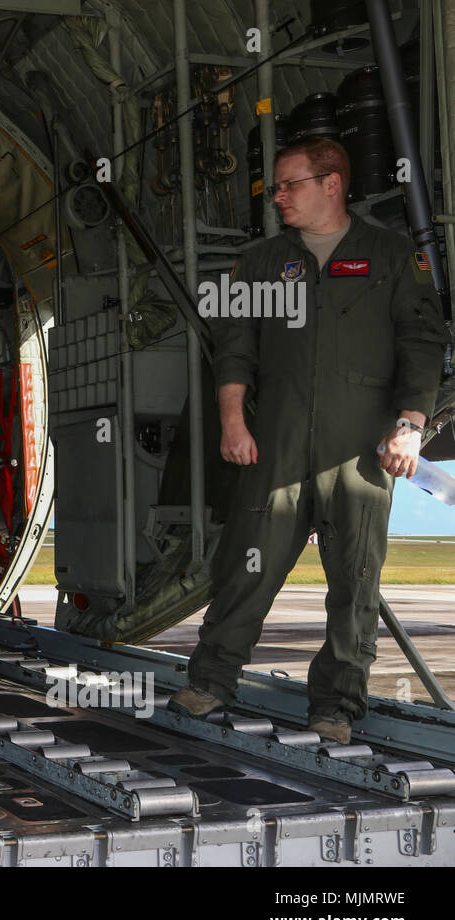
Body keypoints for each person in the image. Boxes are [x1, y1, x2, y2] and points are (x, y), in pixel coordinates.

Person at [169, 137, 448, 744]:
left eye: (290, 184)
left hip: (361, 451)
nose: (279, 197)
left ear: (332, 184)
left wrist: (410, 425)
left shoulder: (393, 255)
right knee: (246, 566)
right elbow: (234, 348)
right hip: (278, 444)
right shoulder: (262, 262)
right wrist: (233, 420)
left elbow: (422, 346)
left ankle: (336, 707)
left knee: (355, 581)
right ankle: (211, 682)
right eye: (276, 187)